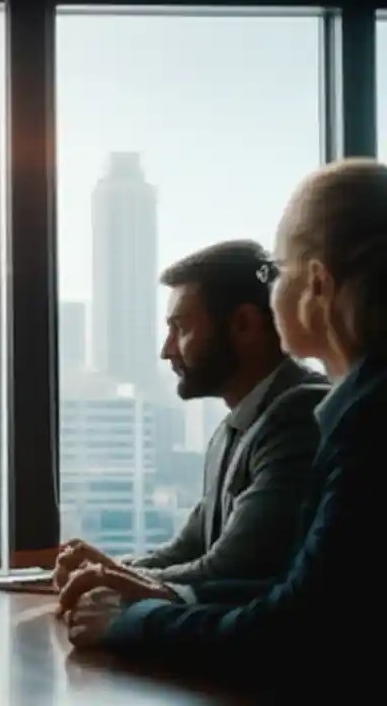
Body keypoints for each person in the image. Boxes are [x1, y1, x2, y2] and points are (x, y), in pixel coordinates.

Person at [57, 158, 387, 685]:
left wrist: (137, 614)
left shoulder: (357, 427)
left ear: (318, 285)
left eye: (280, 270)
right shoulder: (348, 413)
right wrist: (123, 582)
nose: (167, 350)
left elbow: (292, 622)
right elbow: (283, 589)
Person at [54, 240, 327, 590]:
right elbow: (186, 551)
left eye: (181, 329)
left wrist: (107, 578)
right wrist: (102, 569)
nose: (167, 351)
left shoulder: (300, 418)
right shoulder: (231, 429)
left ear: (243, 324)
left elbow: (228, 570)